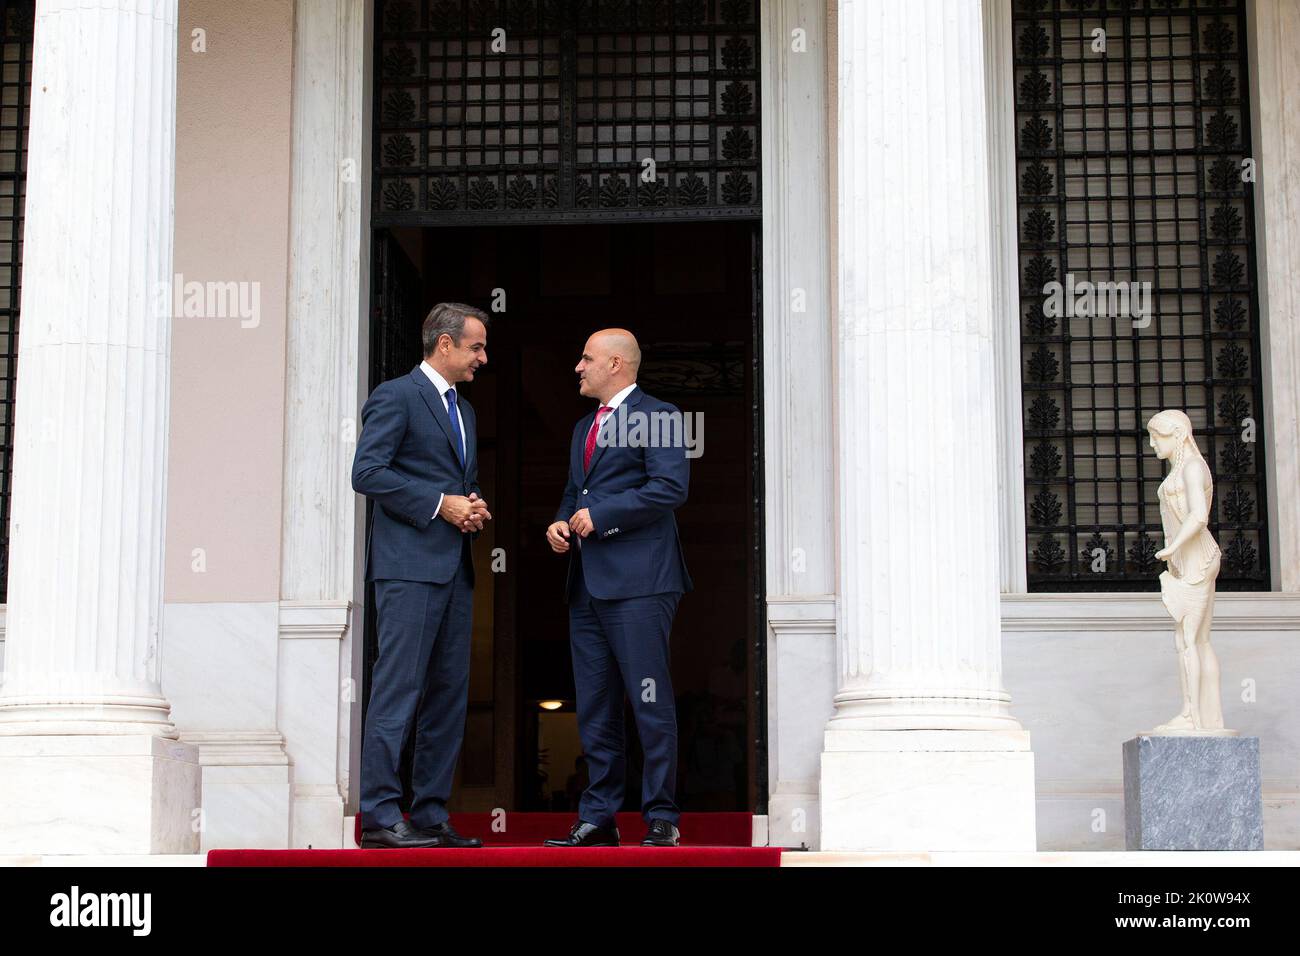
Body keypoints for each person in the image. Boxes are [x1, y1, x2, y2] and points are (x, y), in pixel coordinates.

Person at [543, 329, 693, 847]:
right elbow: (573, 493)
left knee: (649, 700)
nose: (577, 367)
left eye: (585, 358)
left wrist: (599, 516)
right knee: (596, 704)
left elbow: (670, 488)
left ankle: (662, 816)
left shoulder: (661, 416)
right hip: (586, 586)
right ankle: (599, 816)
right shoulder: (584, 425)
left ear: (615, 363)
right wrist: (561, 523)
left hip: (641, 584)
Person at [351, 302, 492, 847]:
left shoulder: (467, 411)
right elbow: (367, 472)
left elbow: (457, 483)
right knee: (398, 691)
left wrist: (470, 507)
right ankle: (381, 817)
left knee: (447, 697)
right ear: (446, 345)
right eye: (477, 346)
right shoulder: (395, 395)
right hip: (408, 571)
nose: (484, 356)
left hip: (455, 569)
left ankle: (431, 814)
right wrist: (440, 504)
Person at [1147, 409, 1226, 733]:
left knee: (1188, 640)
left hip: (1197, 559)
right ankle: (1209, 718)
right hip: (1189, 560)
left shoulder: (1193, 467)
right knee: (1198, 640)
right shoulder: (1184, 467)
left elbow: (1198, 516)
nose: (1152, 444)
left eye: (1157, 436)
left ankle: (1194, 716)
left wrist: (1172, 547)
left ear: (1178, 434)